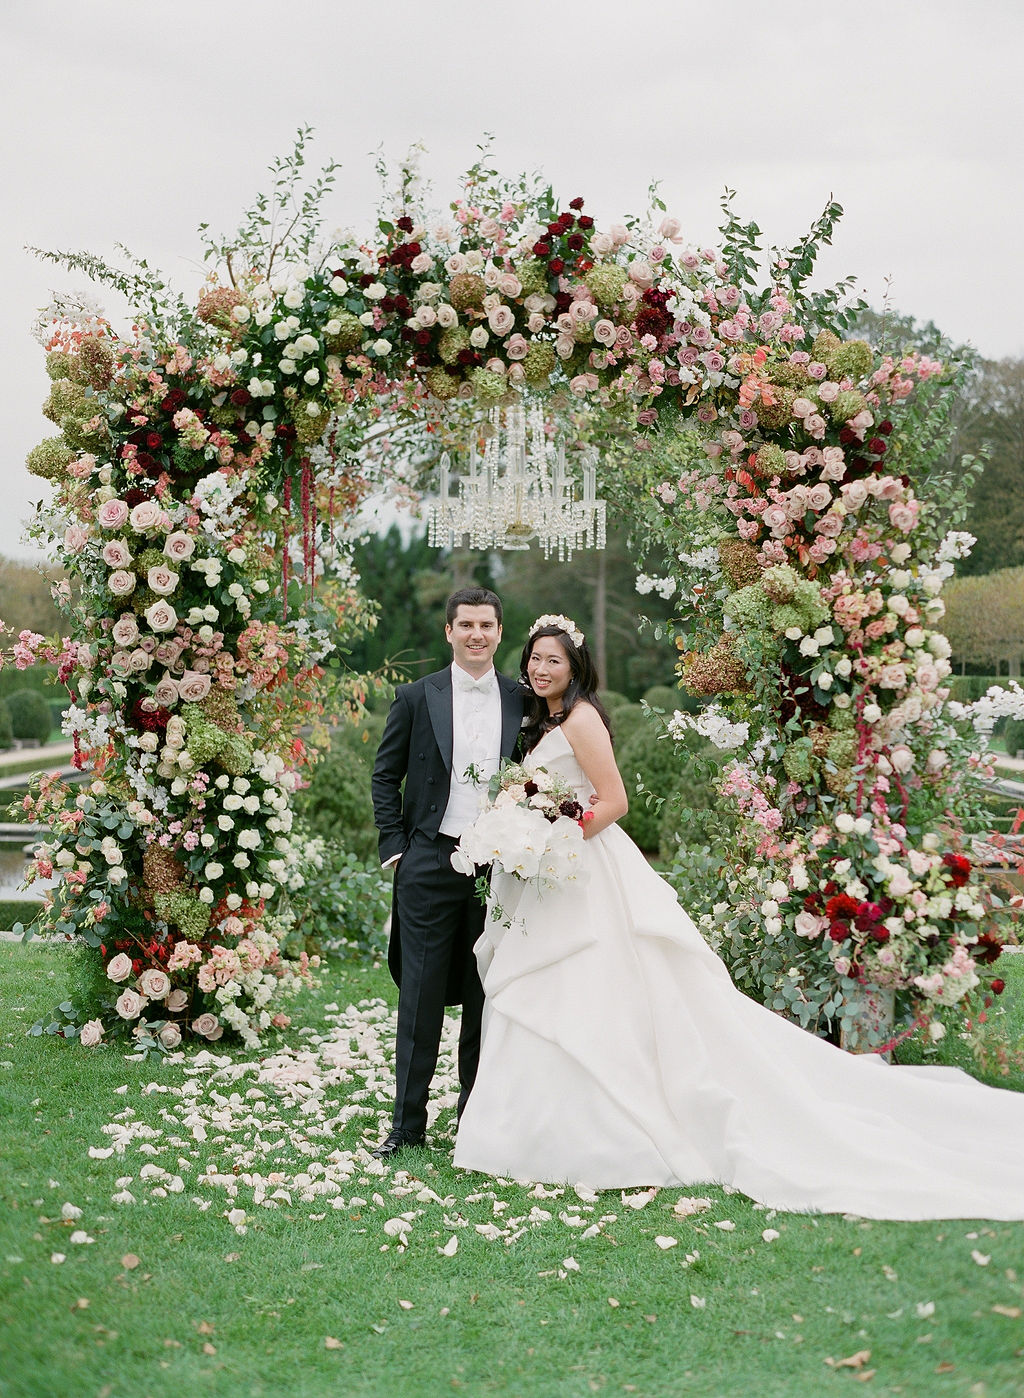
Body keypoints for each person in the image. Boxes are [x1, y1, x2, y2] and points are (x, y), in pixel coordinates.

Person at [453, 615, 1024, 1220]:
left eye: (554, 661)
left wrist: (554, 841)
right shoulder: (549, 722)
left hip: (582, 870)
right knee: (555, 996)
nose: (541, 670)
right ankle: (541, 1127)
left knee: (599, 991)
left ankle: (605, 1131)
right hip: (556, 878)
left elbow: (613, 801)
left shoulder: (584, 718)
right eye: (535, 660)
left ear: (575, 667)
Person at [370, 588, 525, 1159]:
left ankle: (474, 1118)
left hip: (500, 865)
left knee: (486, 993)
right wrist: (397, 849)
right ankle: (406, 1125)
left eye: (487, 624)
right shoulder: (416, 696)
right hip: (429, 859)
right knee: (420, 996)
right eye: (466, 625)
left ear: (500, 632)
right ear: (449, 632)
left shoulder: (521, 699)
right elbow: (385, 775)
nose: (477, 634)